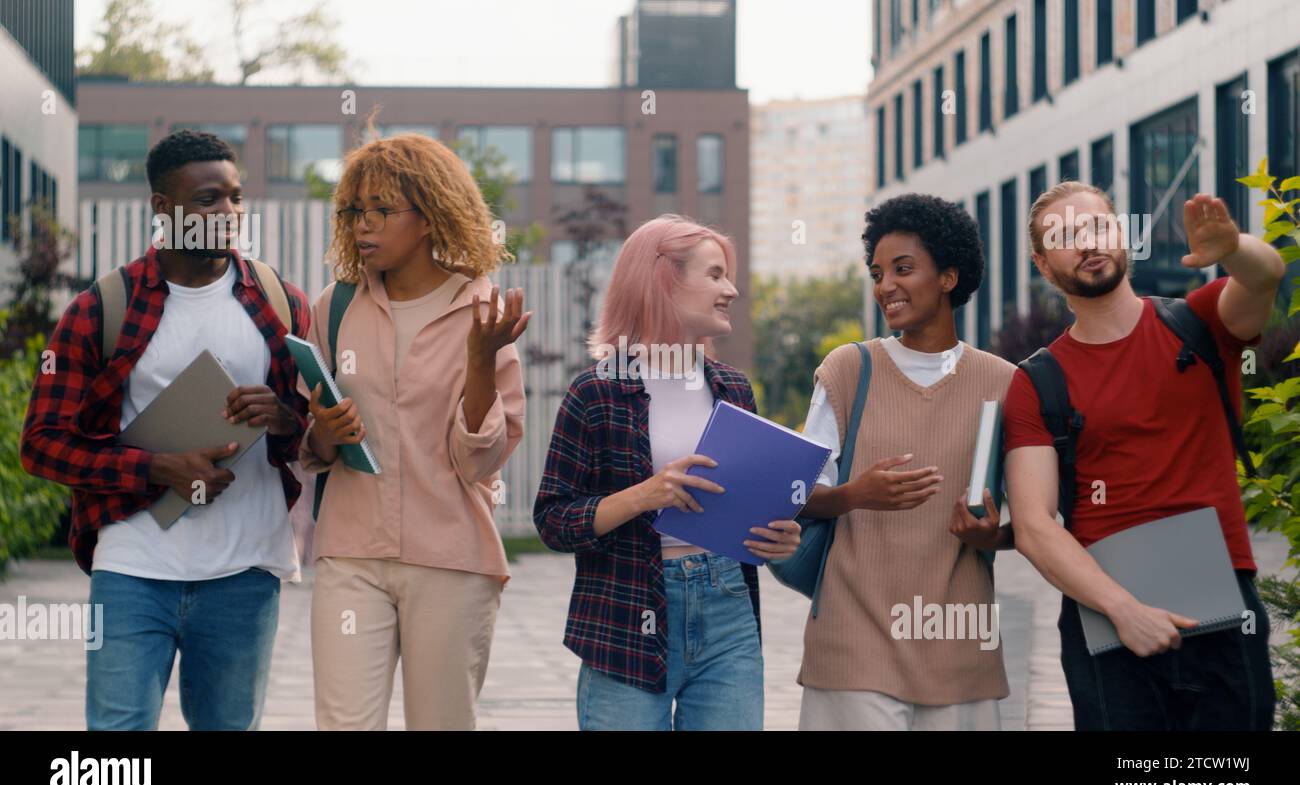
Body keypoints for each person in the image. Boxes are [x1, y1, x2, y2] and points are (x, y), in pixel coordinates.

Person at [21, 130, 310, 730]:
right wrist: (156, 468)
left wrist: (285, 419)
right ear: (162, 207)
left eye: (235, 198)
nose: (228, 214)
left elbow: (309, 442)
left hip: (246, 572)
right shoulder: (103, 307)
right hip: (133, 566)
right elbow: (42, 444)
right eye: (209, 200)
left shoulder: (280, 302)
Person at [1003, 181, 1284, 730]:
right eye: (1065, 236)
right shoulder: (1036, 382)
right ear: (1042, 262)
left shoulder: (1198, 324)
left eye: (1097, 225)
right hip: (1105, 622)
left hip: (1222, 604)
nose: (1087, 243)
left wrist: (1233, 250)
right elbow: (1035, 527)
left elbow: (1266, 274)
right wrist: (1123, 610)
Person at [533, 214, 800, 730]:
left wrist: (777, 537)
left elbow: (747, 504)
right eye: (716, 275)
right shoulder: (596, 392)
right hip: (627, 612)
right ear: (664, 280)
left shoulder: (733, 388)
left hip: (728, 607)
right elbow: (553, 520)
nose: (732, 290)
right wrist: (644, 496)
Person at [299, 131, 527, 730]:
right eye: (354, 212)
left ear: (428, 217)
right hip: (351, 552)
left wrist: (481, 361)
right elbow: (313, 447)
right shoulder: (335, 307)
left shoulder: (483, 310)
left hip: (451, 556)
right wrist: (323, 429)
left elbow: (479, 462)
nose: (362, 227)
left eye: (381, 211)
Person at [796, 193, 1016, 731]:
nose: (885, 285)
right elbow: (794, 492)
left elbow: (1038, 520)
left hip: (958, 640)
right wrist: (855, 494)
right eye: (877, 273)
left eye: (903, 269)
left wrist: (993, 536)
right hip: (854, 640)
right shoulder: (849, 369)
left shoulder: (1006, 383)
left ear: (947, 277)